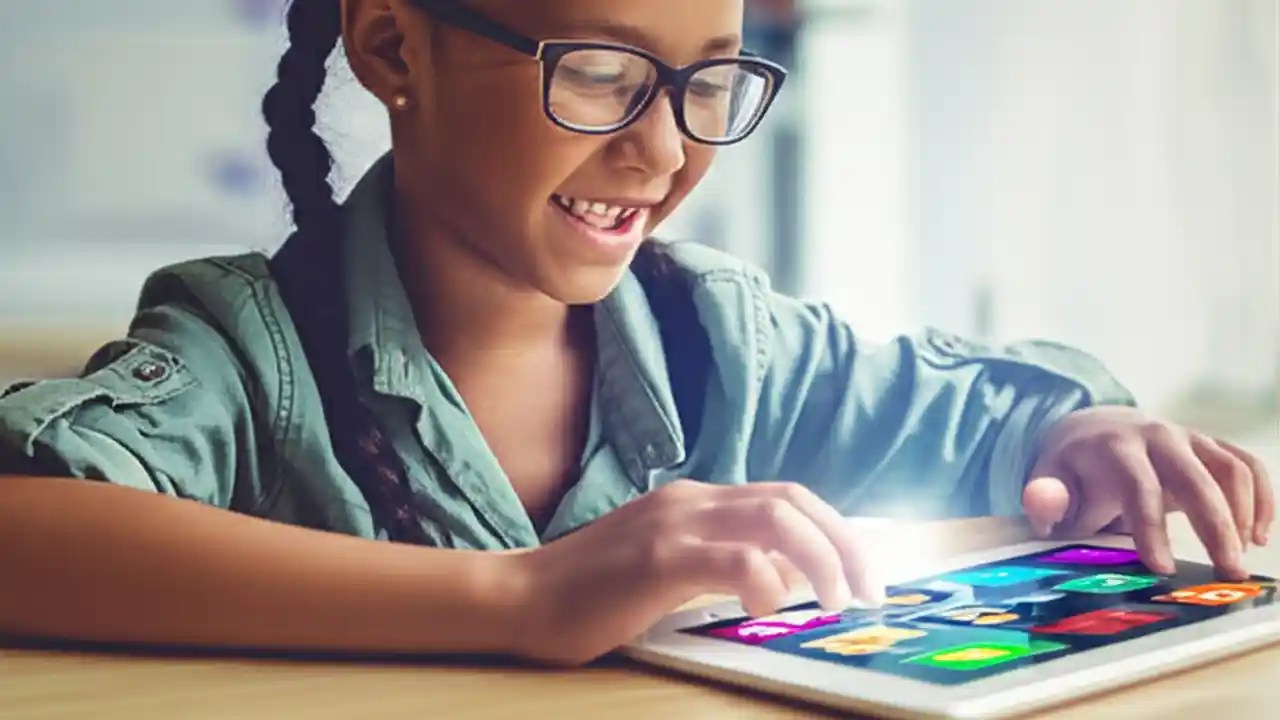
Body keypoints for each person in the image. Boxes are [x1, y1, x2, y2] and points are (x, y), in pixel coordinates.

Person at [0, 0, 1271, 667]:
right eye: (601, 72)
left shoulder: (723, 338)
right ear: (392, 44)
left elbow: (988, 411)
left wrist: (1086, 426)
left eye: (708, 81)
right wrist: (518, 594)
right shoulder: (249, 344)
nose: (663, 150)